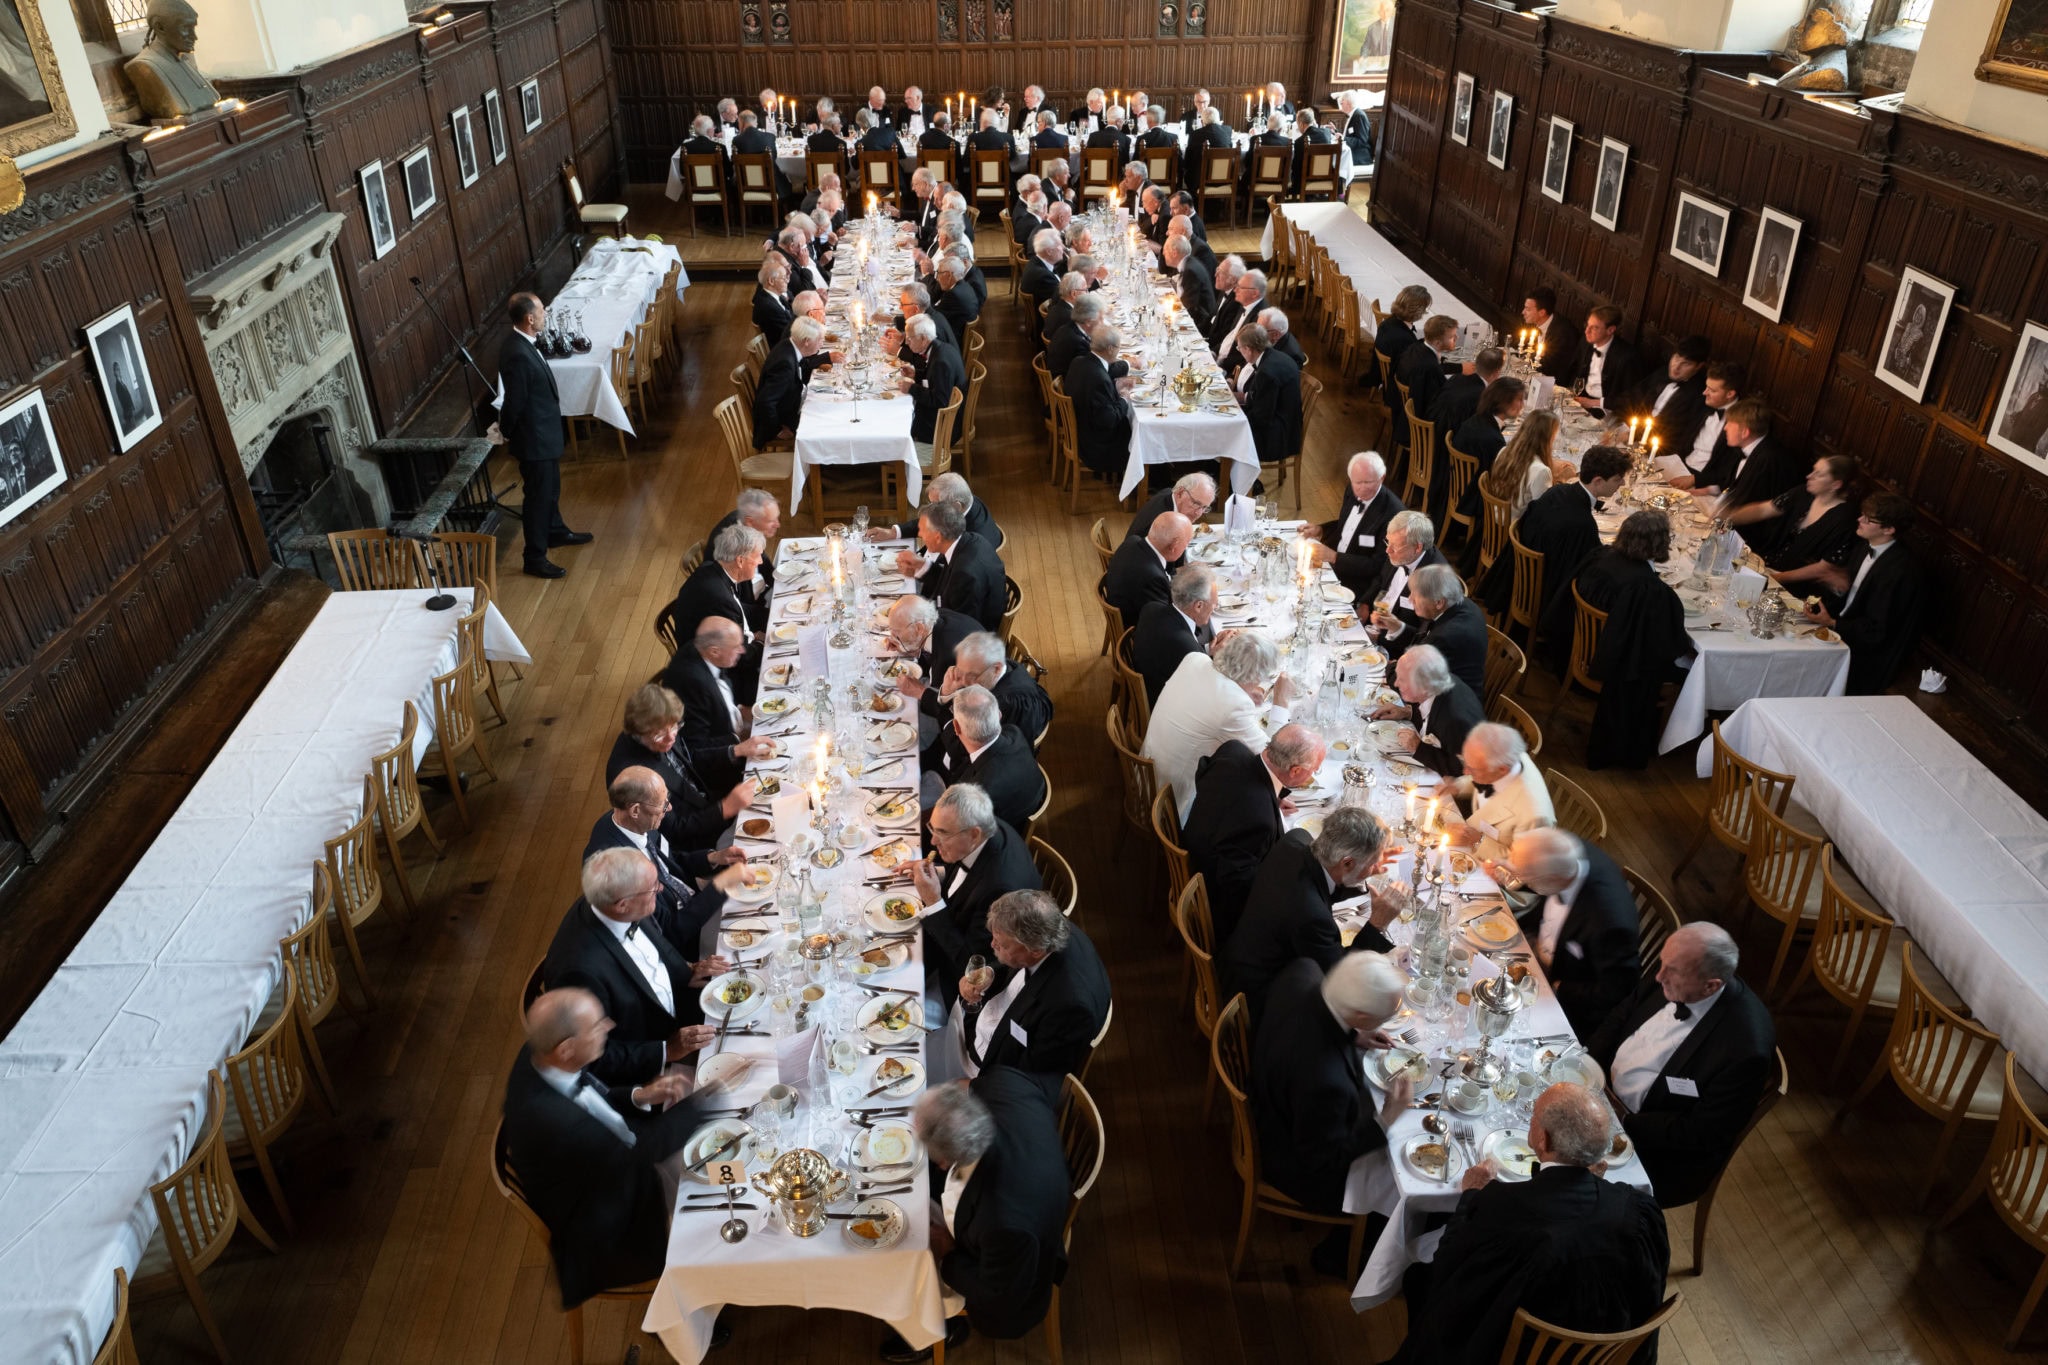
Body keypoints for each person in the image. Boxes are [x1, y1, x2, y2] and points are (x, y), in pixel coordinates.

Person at [1390, 1083, 1670, 1365]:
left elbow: (1448, 1262)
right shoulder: (1638, 1210)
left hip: (1512, 1352)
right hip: (1604, 1355)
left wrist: (1471, 1195)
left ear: (1543, 1141)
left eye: (1533, 1118)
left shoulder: (1501, 1208)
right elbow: (1648, 1285)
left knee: (1417, 1278)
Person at [501, 989, 718, 1314]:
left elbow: (588, 1094)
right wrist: (710, 1097)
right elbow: (643, 1154)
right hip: (612, 1223)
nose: (609, 1025)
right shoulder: (555, 1122)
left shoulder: (538, 1054)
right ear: (567, 1048)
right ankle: (678, 1315)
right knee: (721, 1205)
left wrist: (638, 1096)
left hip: (614, 1159)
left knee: (728, 1164)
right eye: (597, 1025)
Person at [1585, 922, 1778, 1208]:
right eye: (1663, 964)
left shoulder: (1746, 1050)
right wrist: (1586, 1063)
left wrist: (1623, 1121)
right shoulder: (1674, 969)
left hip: (1653, 1146)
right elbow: (1621, 1015)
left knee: (1568, 1190)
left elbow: (1702, 1132)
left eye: (1671, 971)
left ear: (1711, 985)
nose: (1659, 975)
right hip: (1601, 1093)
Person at [879, 1072, 1067, 1362]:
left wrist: (947, 1255)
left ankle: (939, 1331)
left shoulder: (1004, 1222)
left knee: (905, 1261)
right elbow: (968, 1084)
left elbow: (999, 1294)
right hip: (1028, 1172)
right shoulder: (1002, 1083)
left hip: (1012, 1278)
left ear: (943, 1163)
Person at [1252, 952, 1412, 1274]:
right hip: (1289, 1156)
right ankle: (1340, 1255)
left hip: (1272, 1094)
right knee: (1400, 1182)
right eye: (1381, 1017)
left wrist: (1353, 1035)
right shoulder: (1325, 1083)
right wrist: (1386, 1120)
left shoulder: (1303, 970)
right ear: (1358, 1013)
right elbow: (1322, 1159)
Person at [542, 846, 740, 1083]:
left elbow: (657, 942)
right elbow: (594, 1057)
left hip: (678, 1000)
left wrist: (685, 970)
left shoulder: (617, 898)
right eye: (653, 888)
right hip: (651, 1053)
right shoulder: (579, 971)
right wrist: (666, 1050)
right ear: (623, 905)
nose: (661, 889)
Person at [1221, 808, 1400, 1013]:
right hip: (1255, 997)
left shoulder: (1296, 840)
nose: (1375, 867)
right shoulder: (1312, 917)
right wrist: (1377, 924)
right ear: (1347, 863)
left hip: (1239, 953)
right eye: (1373, 863)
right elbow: (1340, 976)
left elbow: (1322, 886)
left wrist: (1363, 871)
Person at [1568, 510, 1692, 770]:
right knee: (1692, 665)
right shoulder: (1646, 589)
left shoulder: (1602, 557)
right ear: (1658, 544)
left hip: (1590, 650)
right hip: (1621, 668)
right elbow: (1665, 646)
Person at [954, 890, 1112, 1093]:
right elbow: (1017, 955)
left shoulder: (1068, 1008)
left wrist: (976, 1088)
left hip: (992, 1073)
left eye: (1001, 944)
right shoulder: (1049, 926)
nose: (992, 945)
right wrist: (991, 971)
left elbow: (1032, 1073)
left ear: (1035, 949)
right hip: (986, 1028)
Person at [1184, 725, 1326, 944]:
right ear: (1295, 771)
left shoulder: (1233, 751)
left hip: (1195, 839)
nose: (1313, 774)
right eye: (1314, 770)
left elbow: (1207, 776)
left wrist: (1272, 797)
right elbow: (1238, 885)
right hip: (1214, 901)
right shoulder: (1259, 819)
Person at [910, 784, 1043, 1006]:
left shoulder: (1000, 890)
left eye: (942, 833)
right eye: (933, 829)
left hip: (955, 979)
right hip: (953, 922)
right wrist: (939, 872)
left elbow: (971, 960)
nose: (933, 842)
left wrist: (932, 901)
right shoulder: (986, 829)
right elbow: (966, 871)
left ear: (973, 834)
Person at [1499, 829, 1640, 1036]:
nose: (1524, 882)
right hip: (1535, 951)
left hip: (1566, 1000)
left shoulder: (1610, 924)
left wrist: (1559, 987)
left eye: (1527, 879)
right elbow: (1541, 885)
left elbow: (1616, 989)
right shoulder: (1566, 852)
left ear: (1552, 879)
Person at [1480, 442, 1630, 622]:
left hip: (1519, 583)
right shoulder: (1582, 525)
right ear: (1597, 481)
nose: (1622, 483)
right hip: (1545, 599)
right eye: (1617, 479)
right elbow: (1586, 575)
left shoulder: (1558, 490)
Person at [497, 293, 589, 579]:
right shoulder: (516, 353)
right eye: (542, 311)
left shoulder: (524, 344)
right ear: (530, 319)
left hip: (544, 436)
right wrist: (507, 432)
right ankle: (534, 556)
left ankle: (555, 531)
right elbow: (514, 402)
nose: (545, 315)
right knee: (537, 498)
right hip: (533, 441)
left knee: (551, 491)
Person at [1146, 629, 1283, 818]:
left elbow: (1212, 696)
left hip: (1147, 775)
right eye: (1261, 678)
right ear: (1253, 676)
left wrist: (1243, 692)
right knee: (1256, 800)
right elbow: (1274, 757)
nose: (1260, 683)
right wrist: (1281, 704)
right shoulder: (1234, 705)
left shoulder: (1194, 659)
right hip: (1173, 805)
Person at [1801, 492, 1927, 695]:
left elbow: (1879, 631)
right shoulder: (1863, 547)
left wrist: (1832, 623)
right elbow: (1850, 597)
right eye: (1862, 514)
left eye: (1868, 519)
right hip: (1845, 629)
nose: (1859, 520)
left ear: (1889, 529)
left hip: (1867, 653)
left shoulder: (1900, 572)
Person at [607, 684, 752, 853]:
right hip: (698, 844)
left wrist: (736, 750)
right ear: (639, 733)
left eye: (675, 727)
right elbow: (675, 830)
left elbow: (688, 761)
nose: (670, 738)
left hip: (707, 803)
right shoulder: (633, 776)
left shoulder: (663, 726)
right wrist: (725, 808)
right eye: (660, 734)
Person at [661, 615, 775, 792]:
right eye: (736, 647)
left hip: (736, 728)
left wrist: (741, 710)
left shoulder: (703, 651)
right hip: (721, 770)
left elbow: (721, 693)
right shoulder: (693, 682)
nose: (743, 651)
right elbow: (694, 749)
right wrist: (739, 741)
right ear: (715, 651)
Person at [921, 685, 1045, 832]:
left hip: (996, 830)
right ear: (998, 715)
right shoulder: (1013, 733)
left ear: (957, 727)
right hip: (1018, 802)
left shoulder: (973, 792)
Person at [1729, 454, 1861, 586]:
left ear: (1835, 485)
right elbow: (1763, 510)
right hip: (1764, 565)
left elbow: (1823, 569)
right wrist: (1727, 517)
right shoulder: (1804, 492)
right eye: (1813, 470)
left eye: (1819, 474)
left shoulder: (1844, 519)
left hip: (1792, 585)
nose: (1809, 476)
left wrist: (1774, 578)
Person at [1443, 722, 1554, 862]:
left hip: (1491, 866)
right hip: (1473, 825)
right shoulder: (1505, 755)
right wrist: (1458, 785)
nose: (1465, 772)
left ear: (1502, 770)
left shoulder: (1535, 816)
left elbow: (1521, 864)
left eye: (1472, 769)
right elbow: (1482, 772)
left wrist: (1478, 840)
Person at [1373, 644, 1483, 777]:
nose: (1396, 684)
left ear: (1423, 687)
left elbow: (1462, 771)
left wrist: (1419, 748)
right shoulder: (1436, 684)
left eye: (1402, 680)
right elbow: (1431, 715)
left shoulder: (1455, 720)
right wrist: (1409, 712)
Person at [907, 494, 1006, 631]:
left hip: (973, 638)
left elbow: (958, 628)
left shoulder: (965, 573)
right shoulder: (971, 540)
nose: (920, 535)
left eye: (923, 531)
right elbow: (950, 582)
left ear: (937, 537)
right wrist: (923, 566)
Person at [1312, 451, 1405, 596]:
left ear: (1382, 478)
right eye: (1357, 482)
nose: (1362, 488)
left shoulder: (1393, 514)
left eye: (1368, 482)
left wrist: (1336, 557)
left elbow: (1378, 565)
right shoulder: (1351, 490)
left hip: (1357, 582)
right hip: (1331, 566)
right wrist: (1321, 529)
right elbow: (1347, 526)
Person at [1388, 564, 1486, 697]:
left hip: (1450, 703)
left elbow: (1406, 685)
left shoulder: (1445, 636)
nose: (1410, 599)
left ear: (1439, 602)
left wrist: (1390, 669)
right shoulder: (1463, 604)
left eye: (1415, 595)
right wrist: (1398, 627)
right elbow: (1423, 637)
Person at [1427, 347, 1501, 522]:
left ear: (1476, 365)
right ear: (1497, 373)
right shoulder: (1480, 397)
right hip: (1452, 462)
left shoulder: (1458, 378)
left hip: (1438, 442)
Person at [1131, 564, 1218, 705]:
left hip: (1149, 684)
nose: (1214, 610)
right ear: (1198, 606)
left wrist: (1208, 650)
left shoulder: (1151, 608)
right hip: (1162, 705)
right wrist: (1215, 658)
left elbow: (1175, 653)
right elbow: (1206, 690)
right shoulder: (1188, 650)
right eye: (1215, 605)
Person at [1691, 397, 1797, 509]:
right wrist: (1708, 490)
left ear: (1744, 433)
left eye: (1730, 423)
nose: (1725, 428)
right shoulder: (1746, 447)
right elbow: (1735, 484)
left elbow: (1750, 502)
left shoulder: (1767, 460)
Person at [1617, 335, 1710, 458]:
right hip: (1633, 432)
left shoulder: (1699, 394)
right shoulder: (1663, 372)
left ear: (1699, 366)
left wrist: (1633, 435)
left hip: (1658, 451)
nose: (1676, 367)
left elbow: (1672, 432)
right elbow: (1636, 395)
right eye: (1676, 357)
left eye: (1685, 364)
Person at [1363, 510, 1447, 645]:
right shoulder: (1400, 553)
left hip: (1396, 645)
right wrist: (1364, 604)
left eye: (1394, 546)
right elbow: (1380, 579)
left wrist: (1381, 638)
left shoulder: (1434, 581)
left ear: (1418, 547)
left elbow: (1423, 635)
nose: (1387, 550)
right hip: (1373, 623)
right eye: (1387, 542)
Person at [1450, 376, 1523, 523]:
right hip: (1473, 499)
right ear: (1505, 403)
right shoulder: (1493, 440)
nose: (1523, 405)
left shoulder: (1478, 418)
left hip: (1459, 488)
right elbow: (1499, 479)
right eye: (1520, 399)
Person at [1067, 324, 1136, 480]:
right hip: (1096, 446)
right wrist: (1124, 398)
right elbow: (1108, 420)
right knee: (1140, 437)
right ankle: (1149, 481)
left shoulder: (1079, 361)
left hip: (1084, 430)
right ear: (1110, 349)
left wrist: (1114, 386)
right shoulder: (1099, 378)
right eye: (1119, 347)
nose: (1119, 351)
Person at [1104, 510, 1193, 628]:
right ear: (1173, 546)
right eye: (1186, 543)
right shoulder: (1152, 578)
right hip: (1136, 631)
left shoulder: (1132, 541)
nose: (1185, 548)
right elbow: (1161, 623)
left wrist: (1183, 573)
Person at [1667, 362, 1745, 488]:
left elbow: (1729, 470)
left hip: (1704, 482)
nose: (1704, 393)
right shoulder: (1704, 404)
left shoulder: (1742, 422)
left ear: (1730, 394)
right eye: (1706, 387)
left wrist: (1695, 479)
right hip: (1679, 463)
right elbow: (1681, 435)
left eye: (1712, 390)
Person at [1239, 328, 1303, 480]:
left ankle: (1240, 482)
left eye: (1239, 348)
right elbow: (1263, 400)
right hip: (1288, 425)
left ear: (1248, 349)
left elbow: (1262, 418)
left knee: (1230, 434)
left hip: (1277, 436)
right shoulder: (1274, 356)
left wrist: (1235, 418)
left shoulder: (1267, 372)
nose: (1239, 351)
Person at [1394, 314, 1462, 450]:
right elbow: (1437, 404)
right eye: (1452, 337)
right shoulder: (1429, 369)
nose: (1457, 338)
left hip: (1401, 416)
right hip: (1420, 431)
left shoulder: (1417, 347)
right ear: (1437, 343)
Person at [752, 314, 819, 450]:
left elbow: (802, 366)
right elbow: (765, 402)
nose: (821, 343)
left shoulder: (788, 345)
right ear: (806, 341)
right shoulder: (785, 363)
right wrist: (777, 430)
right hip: (785, 419)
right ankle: (821, 466)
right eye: (820, 340)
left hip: (790, 405)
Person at [881, 470, 1001, 545]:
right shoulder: (967, 500)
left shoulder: (971, 540)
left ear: (956, 506)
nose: (932, 510)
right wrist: (893, 532)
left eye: (936, 505)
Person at [1568, 306, 1645, 417]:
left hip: (1606, 410)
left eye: (1594, 328)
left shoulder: (1627, 358)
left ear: (1610, 330)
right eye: (1587, 325)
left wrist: (1593, 403)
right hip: (1581, 400)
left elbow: (1628, 399)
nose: (1586, 331)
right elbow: (1574, 370)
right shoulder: (1586, 343)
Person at [1491, 409, 1562, 523]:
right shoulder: (1541, 471)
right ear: (1547, 438)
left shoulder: (1504, 451)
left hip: (1496, 518)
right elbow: (1545, 513)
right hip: (1516, 531)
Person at [1128, 471, 1215, 541]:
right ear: (1180, 493)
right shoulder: (1164, 523)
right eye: (1196, 503)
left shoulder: (1169, 493)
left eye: (1204, 507)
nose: (1198, 513)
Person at [1520, 286, 1581, 380]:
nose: (1523, 312)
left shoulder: (1563, 333)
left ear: (1542, 313)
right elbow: (1520, 346)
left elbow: (1551, 366)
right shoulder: (1531, 322)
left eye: (1528, 309)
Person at [1164, 235, 1217, 333]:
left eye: (1165, 251)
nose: (1163, 254)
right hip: (1196, 317)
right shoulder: (1189, 263)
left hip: (1200, 325)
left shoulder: (1190, 271)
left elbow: (1189, 305)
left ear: (1174, 253)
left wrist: (1168, 315)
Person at [752, 254, 795, 345]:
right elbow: (790, 334)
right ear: (771, 281)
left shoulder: (775, 297)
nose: (787, 280)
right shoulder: (768, 307)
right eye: (783, 278)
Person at [1020, 228, 1064, 311]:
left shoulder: (1035, 261)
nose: (1063, 248)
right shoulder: (1044, 276)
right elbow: (1063, 300)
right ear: (1049, 251)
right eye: (1060, 246)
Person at [1339, 90, 1373, 168]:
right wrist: (1335, 131)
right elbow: (1350, 135)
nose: (1340, 104)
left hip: (1361, 154)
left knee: (1336, 159)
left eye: (1342, 102)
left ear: (1348, 103)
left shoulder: (1359, 116)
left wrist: (1343, 138)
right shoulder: (1352, 115)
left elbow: (1362, 141)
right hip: (1352, 150)